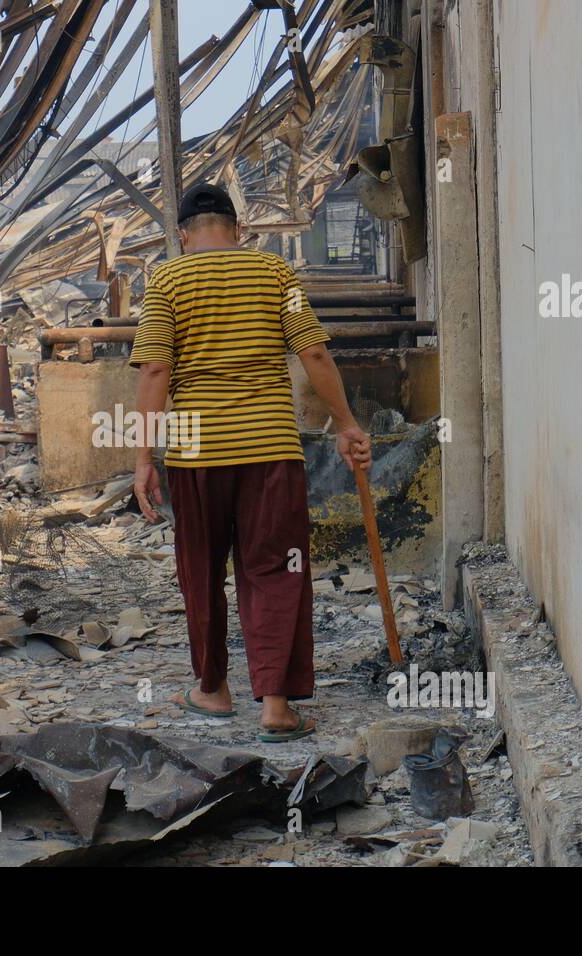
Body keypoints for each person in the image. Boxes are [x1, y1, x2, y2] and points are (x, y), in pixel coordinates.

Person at [130, 182, 371, 742]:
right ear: (238, 231)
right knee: (276, 571)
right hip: (270, 450)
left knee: (202, 569)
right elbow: (312, 352)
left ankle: (212, 691)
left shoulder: (166, 279)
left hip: (196, 455)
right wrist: (347, 423)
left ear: (183, 236)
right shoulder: (275, 273)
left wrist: (144, 456)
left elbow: (154, 374)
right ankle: (277, 707)